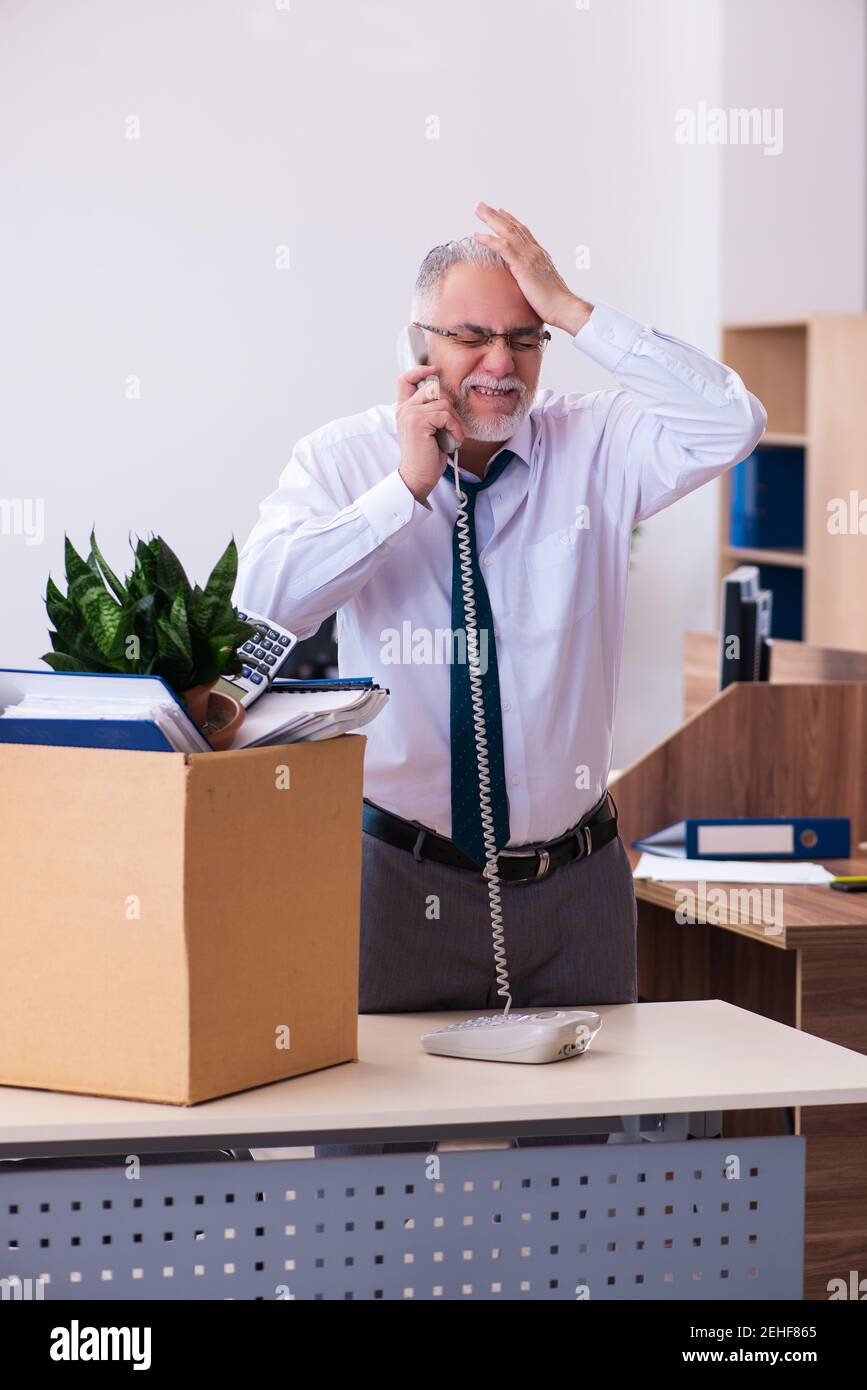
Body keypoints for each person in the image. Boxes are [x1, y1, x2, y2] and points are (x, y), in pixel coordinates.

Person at [236, 202, 766, 1154]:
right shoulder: (343, 458)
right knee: (373, 1175)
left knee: (588, 1175)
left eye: (524, 338)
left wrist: (577, 310)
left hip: (576, 889)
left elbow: (731, 421)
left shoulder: (595, 445)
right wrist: (400, 491)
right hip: (401, 881)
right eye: (472, 335)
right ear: (417, 344)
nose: (500, 363)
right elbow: (268, 602)